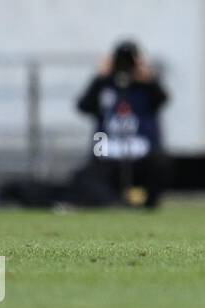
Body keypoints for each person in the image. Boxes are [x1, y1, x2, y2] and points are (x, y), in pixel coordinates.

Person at [73, 40, 172, 209]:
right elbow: (83, 106)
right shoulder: (104, 86)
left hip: (141, 156)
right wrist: (99, 78)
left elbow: (163, 99)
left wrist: (149, 78)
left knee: (161, 163)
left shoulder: (145, 88)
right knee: (85, 177)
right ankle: (111, 202)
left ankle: (146, 202)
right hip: (107, 155)